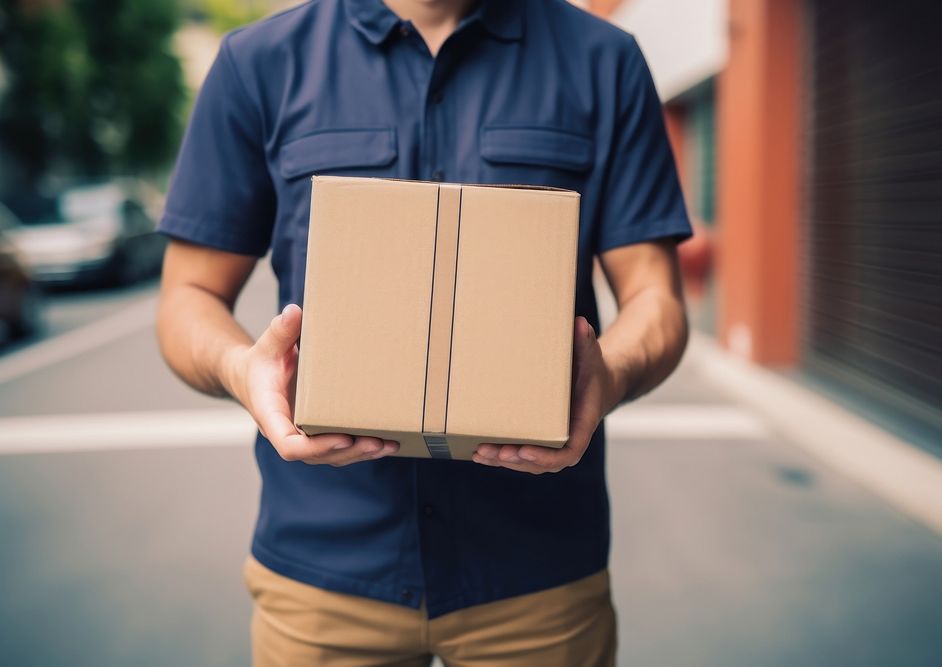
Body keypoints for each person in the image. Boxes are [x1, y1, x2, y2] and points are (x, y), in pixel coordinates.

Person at [155, 0, 691, 664]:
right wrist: (243, 369)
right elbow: (188, 296)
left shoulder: (603, 61)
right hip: (326, 574)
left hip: (537, 576)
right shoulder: (259, 63)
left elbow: (655, 296)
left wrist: (606, 377)